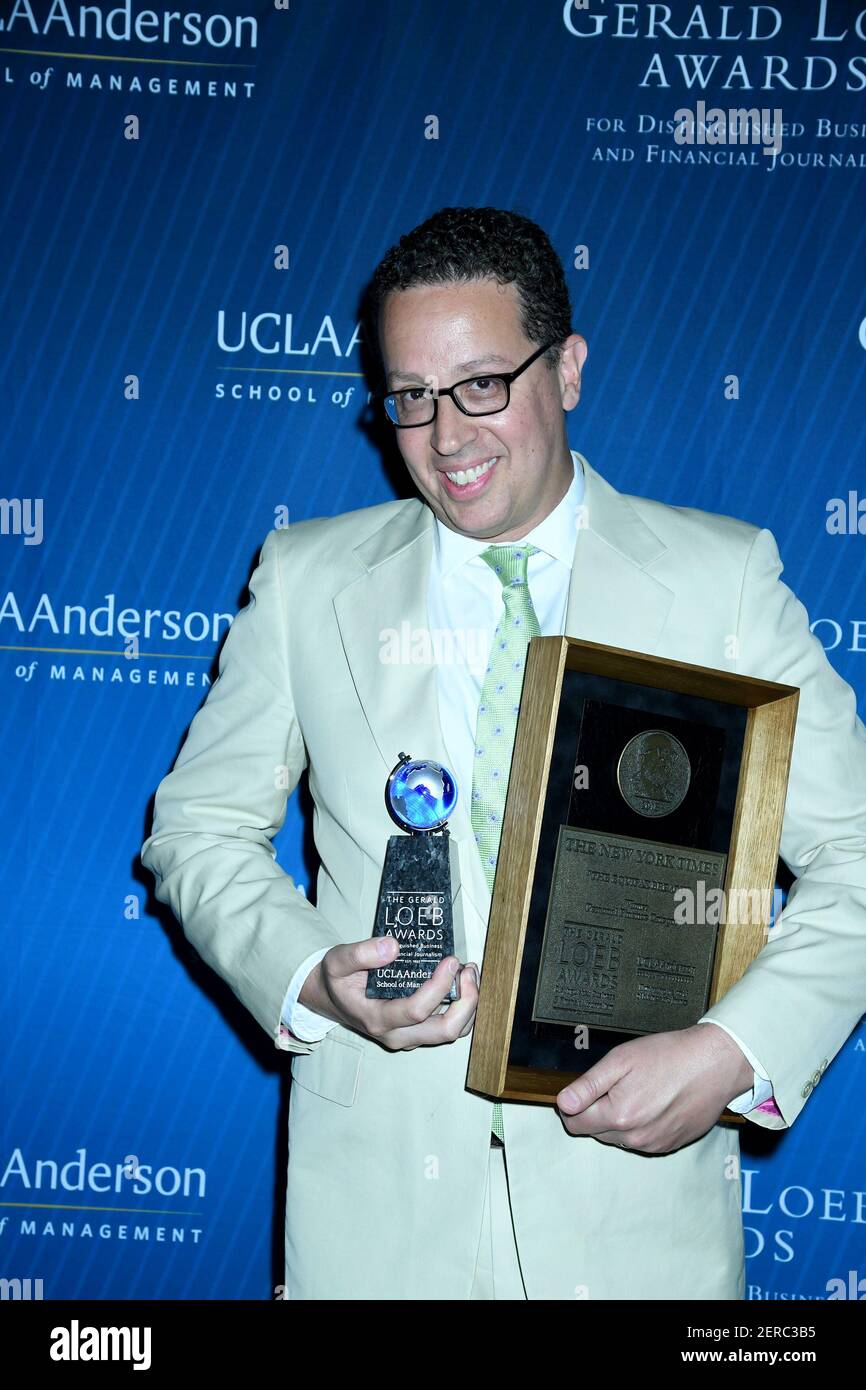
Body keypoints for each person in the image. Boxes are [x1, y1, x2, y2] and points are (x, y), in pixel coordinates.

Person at [140, 206, 866, 1300]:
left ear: (566, 369)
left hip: (634, 1227)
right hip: (374, 1229)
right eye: (411, 399)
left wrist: (729, 1052)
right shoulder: (305, 580)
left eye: (482, 383)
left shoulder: (720, 581)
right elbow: (195, 833)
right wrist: (310, 979)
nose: (446, 436)